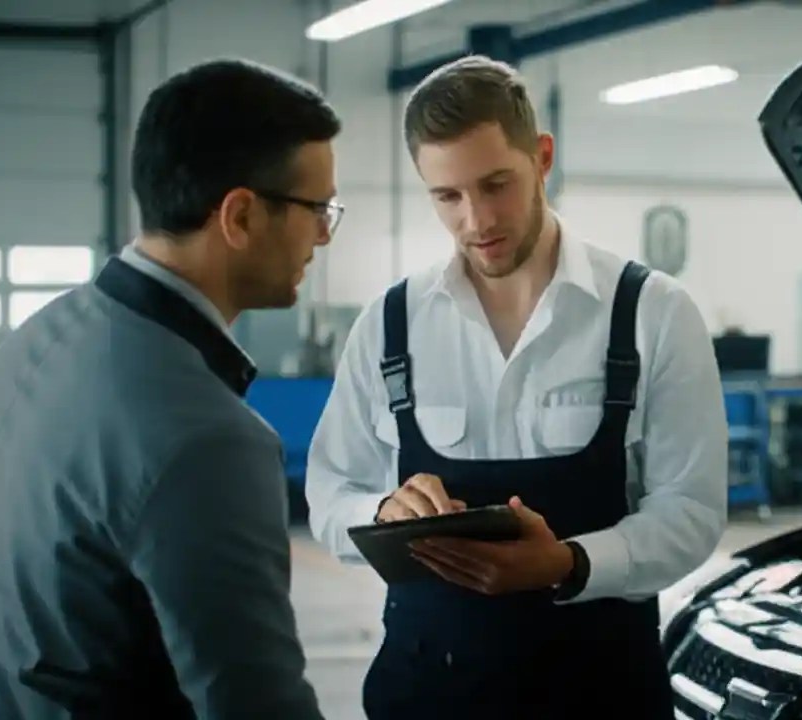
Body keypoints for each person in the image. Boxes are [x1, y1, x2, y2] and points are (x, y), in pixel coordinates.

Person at [306, 55, 729, 719]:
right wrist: (382, 511)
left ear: (542, 157)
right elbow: (331, 494)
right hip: (425, 696)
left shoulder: (654, 313)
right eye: (447, 197)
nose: (477, 220)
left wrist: (569, 562)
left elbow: (692, 511)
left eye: (496, 184)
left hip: (599, 696)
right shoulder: (390, 325)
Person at [0, 58, 341, 719]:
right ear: (240, 216)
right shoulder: (209, 439)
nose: (325, 235)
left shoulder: (33, 343)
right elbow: (255, 704)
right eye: (317, 210)